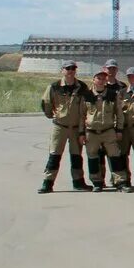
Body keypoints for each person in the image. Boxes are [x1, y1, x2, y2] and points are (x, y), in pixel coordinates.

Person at [38, 60, 92, 193]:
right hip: (60, 126)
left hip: (75, 127)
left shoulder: (82, 87)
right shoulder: (54, 86)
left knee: (76, 156)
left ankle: (78, 182)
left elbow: (87, 106)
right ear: (62, 70)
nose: (71, 71)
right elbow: (46, 102)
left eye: (73, 68)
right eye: (68, 68)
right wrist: (52, 115)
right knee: (55, 155)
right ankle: (48, 183)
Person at [81, 69, 131, 192]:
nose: (101, 81)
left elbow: (119, 114)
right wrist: (81, 133)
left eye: (104, 79)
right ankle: (97, 182)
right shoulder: (86, 95)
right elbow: (81, 116)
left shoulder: (112, 94)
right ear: (93, 80)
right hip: (91, 132)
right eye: (99, 78)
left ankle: (120, 182)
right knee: (92, 157)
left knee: (115, 156)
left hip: (108, 131)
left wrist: (119, 130)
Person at [100, 59, 125, 188]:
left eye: (114, 69)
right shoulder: (100, 86)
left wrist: (120, 128)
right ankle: (100, 180)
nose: (111, 71)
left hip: (116, 127)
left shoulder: (122, 87)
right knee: (100, 155)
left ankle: (117, 180)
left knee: (116, 155)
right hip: (102, 126)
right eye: (109, 68)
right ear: (105, 69)